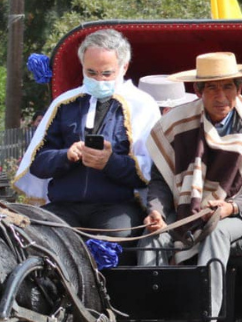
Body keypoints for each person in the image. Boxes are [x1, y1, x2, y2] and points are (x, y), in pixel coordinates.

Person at [142, 52, 242, 313]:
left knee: (217, 232)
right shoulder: (177, 122)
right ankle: (149, 312)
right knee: (151, 235)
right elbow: (160, 180)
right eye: (212, 87)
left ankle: (206, 316)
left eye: (227, 86)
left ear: (239, 88)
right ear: (198, 90)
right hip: (186, 212)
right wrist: (155, 211)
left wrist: (230, 208)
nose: (220, 95)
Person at [14, 28, 161, 240]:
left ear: (124, 67)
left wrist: (109, 162)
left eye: (106, 73)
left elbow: (150, 172)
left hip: (116, 206)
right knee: (41, 240)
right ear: (82, 66)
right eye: (91, 73)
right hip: (64, 205)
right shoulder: (64, 104)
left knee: (117, 240)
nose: (99, 79)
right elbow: (38, 163)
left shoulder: (142, 105)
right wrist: (66, 155)